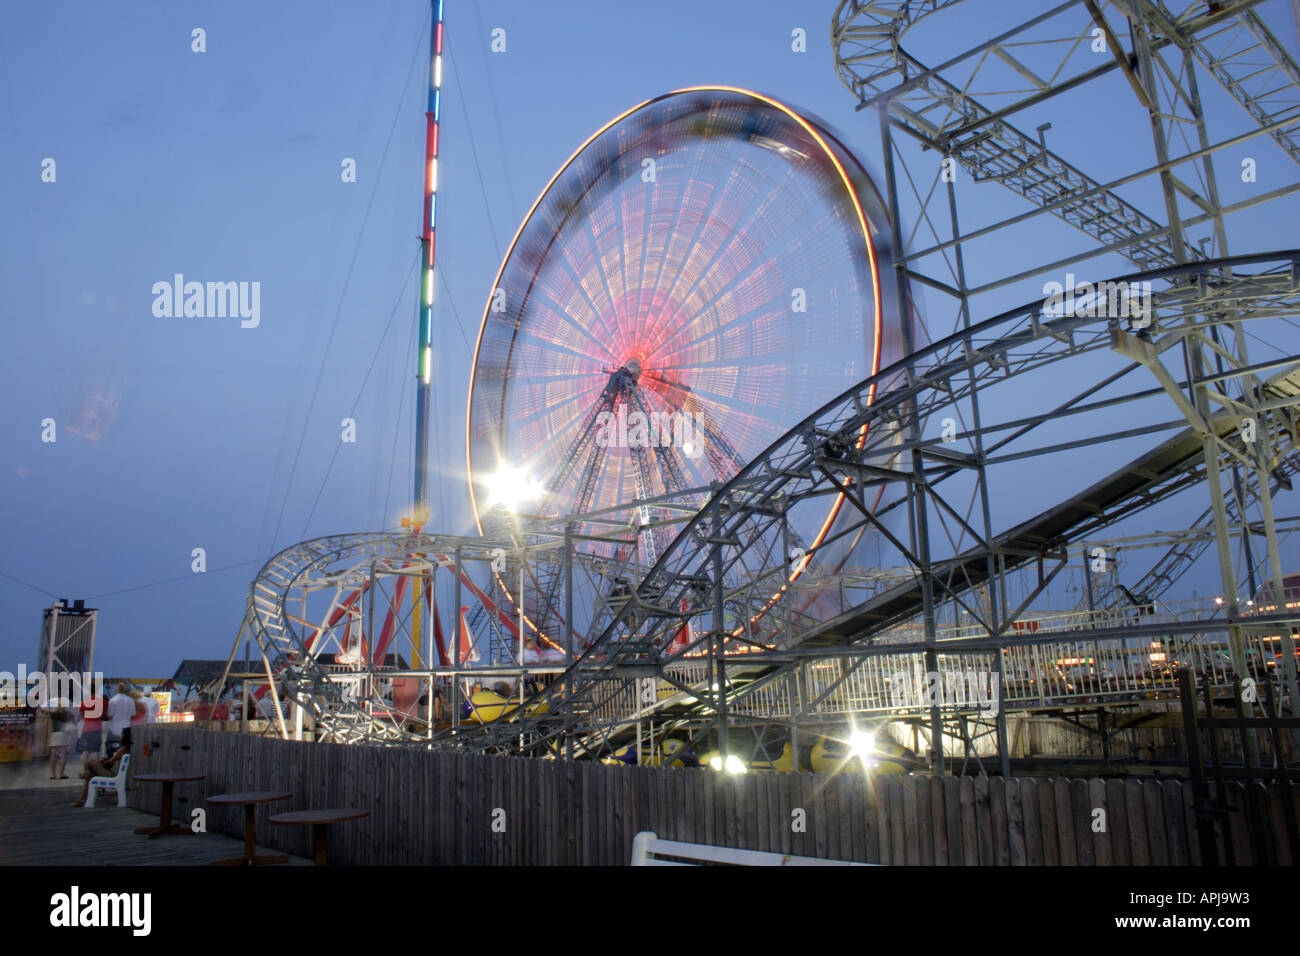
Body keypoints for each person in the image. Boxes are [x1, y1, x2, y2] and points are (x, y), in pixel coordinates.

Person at [71, 741, 129, 807]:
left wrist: (102, 761)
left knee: (90, 762)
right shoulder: (127, 749)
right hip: (117, 775)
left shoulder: (123, 749)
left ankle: (84, 775)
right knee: (89, 774)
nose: (120, 736)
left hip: (114, 776)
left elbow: (110, 763)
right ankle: (81, 798)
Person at [105, 682, 135, 752]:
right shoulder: (130, 700)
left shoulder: (113, 700)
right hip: (126, 729)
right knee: (125, 749)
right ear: (125, 690)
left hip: (114, 729)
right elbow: (133, 715)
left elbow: (109, 716)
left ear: (117, 690)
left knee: (111, 749)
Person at [77, 689, 105, 758]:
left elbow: (81, 713)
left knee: (85, 751)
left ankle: (85, 768)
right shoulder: (101, 702)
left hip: (86, 727)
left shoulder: (84, 702)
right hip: (97, 727)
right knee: (95, 750)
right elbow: (105, 714)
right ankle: (93, 768)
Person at [47, 707, 74, 779]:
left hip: (54, 734)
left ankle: (53, 774)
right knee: (63, 755)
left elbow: (45, 711)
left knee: (53, 755)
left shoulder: (53, 714)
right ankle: (61, 774)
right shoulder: (66, 714)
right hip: (63, 734)